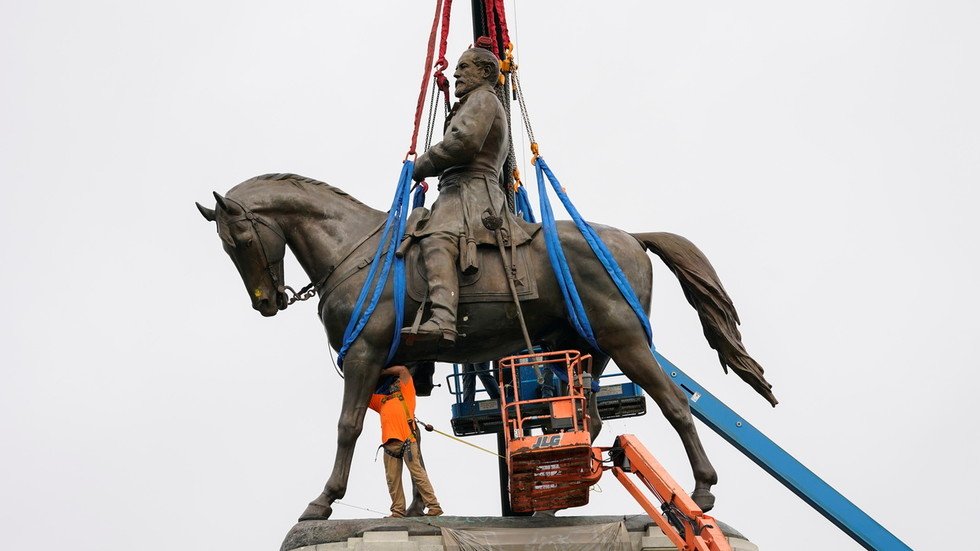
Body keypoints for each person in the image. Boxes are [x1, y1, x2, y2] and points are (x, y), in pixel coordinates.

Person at [404, 46, 527, 344]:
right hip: (457, 191)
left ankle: (444, 319)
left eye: (464, 67)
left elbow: (464, 143)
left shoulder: (483, 99)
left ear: (485, 72)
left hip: (471, 193)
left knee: (436, 239)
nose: (456, 73)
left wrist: (421, 164)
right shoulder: (474, 102)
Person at [368, 365, 443, 518]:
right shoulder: (382, 401)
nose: (393, 385)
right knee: (393, 481)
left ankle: (434, 506)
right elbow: (365, 396)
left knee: (418, 475)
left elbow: (403, 370)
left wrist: (381, 371)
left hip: (407, 441)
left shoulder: (407, 393)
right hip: (389, 445)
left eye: (396, 382)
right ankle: (397, 511)